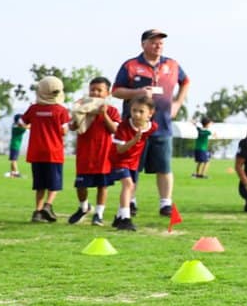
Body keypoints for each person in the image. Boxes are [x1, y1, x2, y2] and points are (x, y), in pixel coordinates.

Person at [111, 29, 190, 221]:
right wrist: (137, 92)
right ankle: (130, 201)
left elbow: (185, 82)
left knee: (164, 166)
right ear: (143, 44)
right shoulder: (130, 65)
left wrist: (177, 103)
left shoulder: (172, 64)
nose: (158, 45)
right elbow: (116, 91)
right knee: (132, 166)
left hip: (162, 124)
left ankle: (166, 203)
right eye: (154, 42)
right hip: (134, 127)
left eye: (161, 42)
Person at [68, 78, 122, 227]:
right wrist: (74, 121)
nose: (95, 93)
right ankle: (83, 207)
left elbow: (115, 130)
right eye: (93, 90)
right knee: (80, 185)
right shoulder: (82, 106)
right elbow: (72, 126)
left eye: (99, 90)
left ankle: (98, 214)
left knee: (102, 186)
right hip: (85, 155)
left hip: (103, 155)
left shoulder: (111, 110)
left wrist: (104, 115)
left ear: (107, 93)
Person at [20, 76, 71, 223]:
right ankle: (48, 205)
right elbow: (65, 131)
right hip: (53, 152)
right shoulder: (61, 110)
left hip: (36, 153)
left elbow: (22, 122)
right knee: (54, 183)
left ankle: (37, 211)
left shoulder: (34, 109)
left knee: (40, 185)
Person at [107, 99, 156, 231]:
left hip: (134, 160)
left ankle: (118, 217)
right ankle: (125, 219)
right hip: (119, 159)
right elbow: (119, 149)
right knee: (128, 185)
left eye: (141, 111)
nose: (137, 114)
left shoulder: (152, 127)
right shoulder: (123, 127)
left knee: (131, 187)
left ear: (150, 113)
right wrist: (134, 140)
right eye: (134, 110)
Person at [190, 113, 214, 179]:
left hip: (197, 148)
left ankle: (198, 174)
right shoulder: (207, 132)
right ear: (207, 124)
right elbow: (211, 133)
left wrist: (194, 123)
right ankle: (202, 174)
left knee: (200, 162)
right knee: (207, 162)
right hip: (202, 149)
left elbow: (197, 127)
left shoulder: (199, 129)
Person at [4, 113, 26, 178]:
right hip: (15, 145)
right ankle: (16, 172)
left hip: (14, 145)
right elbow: (26, 127)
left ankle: (12, 173)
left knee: (13, 159)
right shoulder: (18, 127)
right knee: (14, 160)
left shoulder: (15, 125)